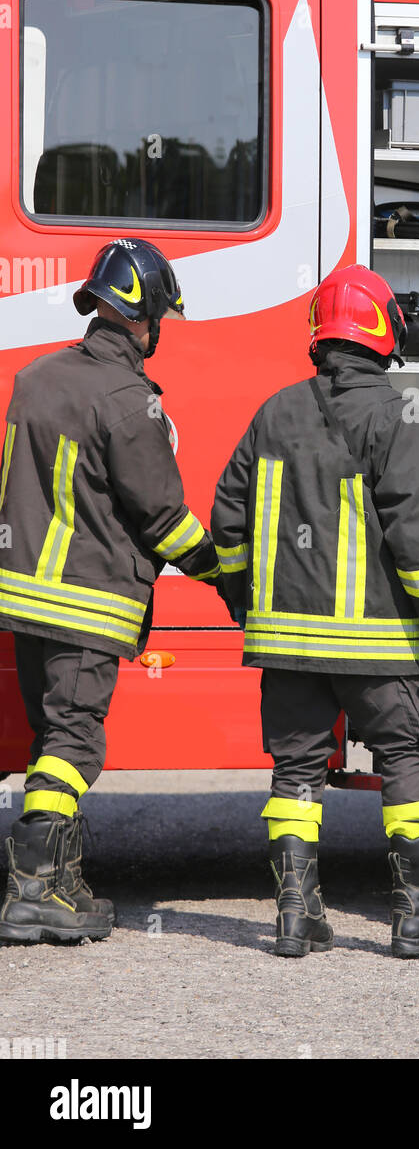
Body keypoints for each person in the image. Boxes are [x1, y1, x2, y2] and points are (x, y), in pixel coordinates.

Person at [211, 264, 419, 958]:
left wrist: (248, 605)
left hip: (285, 642)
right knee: (407, 753)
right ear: (382, 331)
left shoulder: (273, 411)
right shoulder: (392, 416)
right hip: (374, 642)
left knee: (296, 770)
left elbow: (227, 521)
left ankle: (295, 916)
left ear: (319, 334)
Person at [0, 239, 222, 944]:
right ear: (145, 314)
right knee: (74, 740)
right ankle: (36, 887)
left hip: (21, 597)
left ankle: (61, 883)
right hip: (87, 600)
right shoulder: (130, 401)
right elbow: (163, 517)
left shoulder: (34, 378)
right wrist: (225, 574)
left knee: (52, 736)